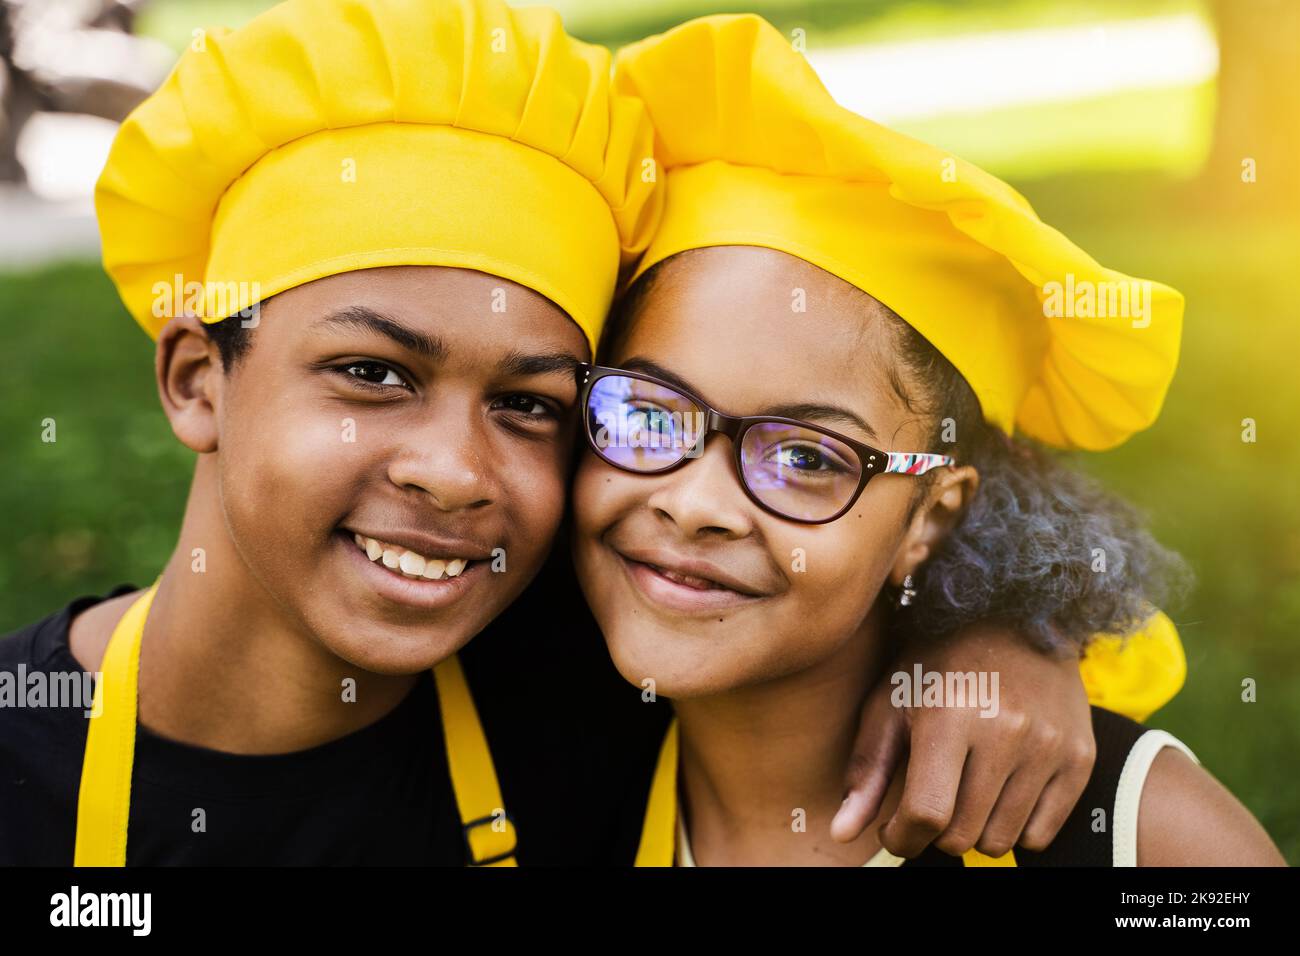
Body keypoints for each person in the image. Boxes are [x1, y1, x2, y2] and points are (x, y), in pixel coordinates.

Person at [569, 13, 1285, 866]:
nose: (693, 504)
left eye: (805, 457)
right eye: (651, 414)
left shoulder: (1142, 838)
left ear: (931, 520)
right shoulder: (552, 767)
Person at [0, 0, 659, 866]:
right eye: (375, 373)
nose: (455, 473)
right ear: (198, 381)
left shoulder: (615, 718)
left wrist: (903, 664)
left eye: (528, 405)